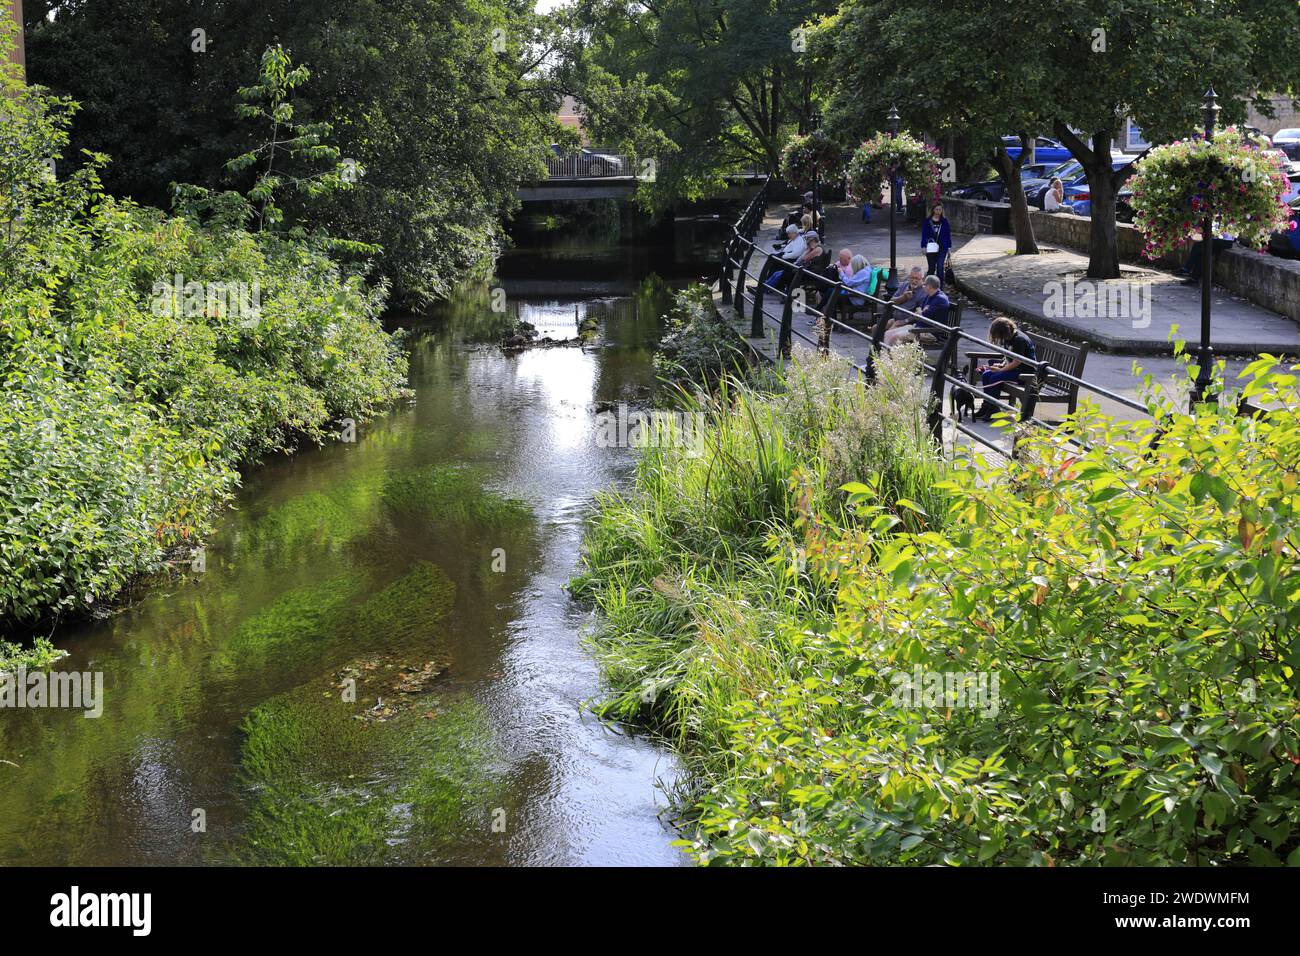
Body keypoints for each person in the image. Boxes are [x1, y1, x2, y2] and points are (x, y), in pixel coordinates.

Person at [973, 316, 1037, 421]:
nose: (998, 338)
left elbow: (1017, 361)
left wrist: (1001, 370)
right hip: (1015, 370)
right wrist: (1002, 365)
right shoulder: (1008, 338)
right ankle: (987, 405)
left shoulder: (1019, 340)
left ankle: (993, 407)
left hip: (1024, 374)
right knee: (986, 375)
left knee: (995, 378)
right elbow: (1009, 357)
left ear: (1003, 332)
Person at [884, 275, 947, 347]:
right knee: (888, 333)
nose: (923, 286)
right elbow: (920, 311)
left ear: (929, 286)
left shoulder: (940, 299)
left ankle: (892, 357)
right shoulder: (929, 295)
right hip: (918, 328)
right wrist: (921, 311)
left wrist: (921, 311)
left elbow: (923, 314)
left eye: (924, 285)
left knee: (895, 337)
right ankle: (884, 356)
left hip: (929, 332)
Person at [920, 203, 952, 285]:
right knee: (931, 268)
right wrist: (923, 246)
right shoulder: (927, 221)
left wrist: (949, 248)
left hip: (942, 247)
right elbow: (924, 234)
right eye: (937, 209)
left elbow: (948, 235)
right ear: (933, 210)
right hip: (931, 247)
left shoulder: (944, 221)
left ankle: (939, 288)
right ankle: (928, 286)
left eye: (940, 210)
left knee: (940, 267)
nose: (938, 211)